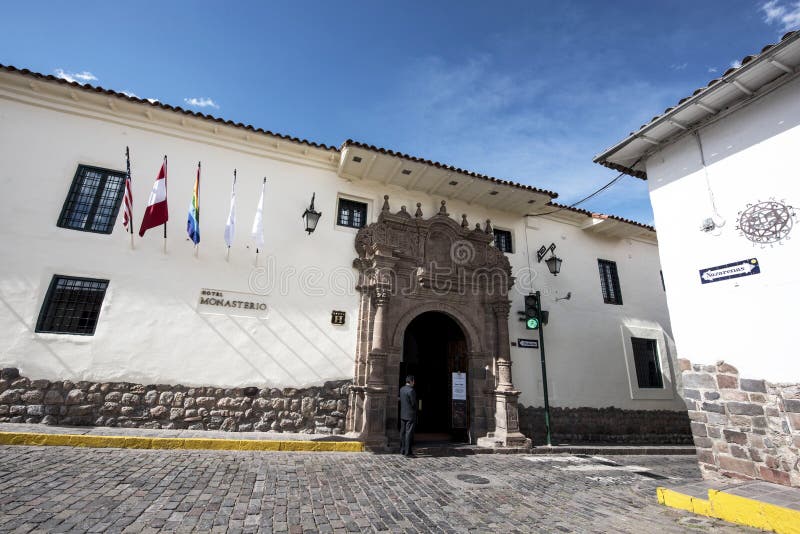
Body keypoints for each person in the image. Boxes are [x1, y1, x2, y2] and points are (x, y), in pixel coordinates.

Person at [399, 375, 417, 457]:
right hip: (410, 415)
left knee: (402, 432)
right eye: (413, 381)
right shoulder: (411, 391)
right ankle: (408, 452)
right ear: (411, 381)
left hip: (403, 414)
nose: (414, 383)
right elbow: (413, 403)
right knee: (408, 433)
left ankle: (402, 449)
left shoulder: (402, 389)